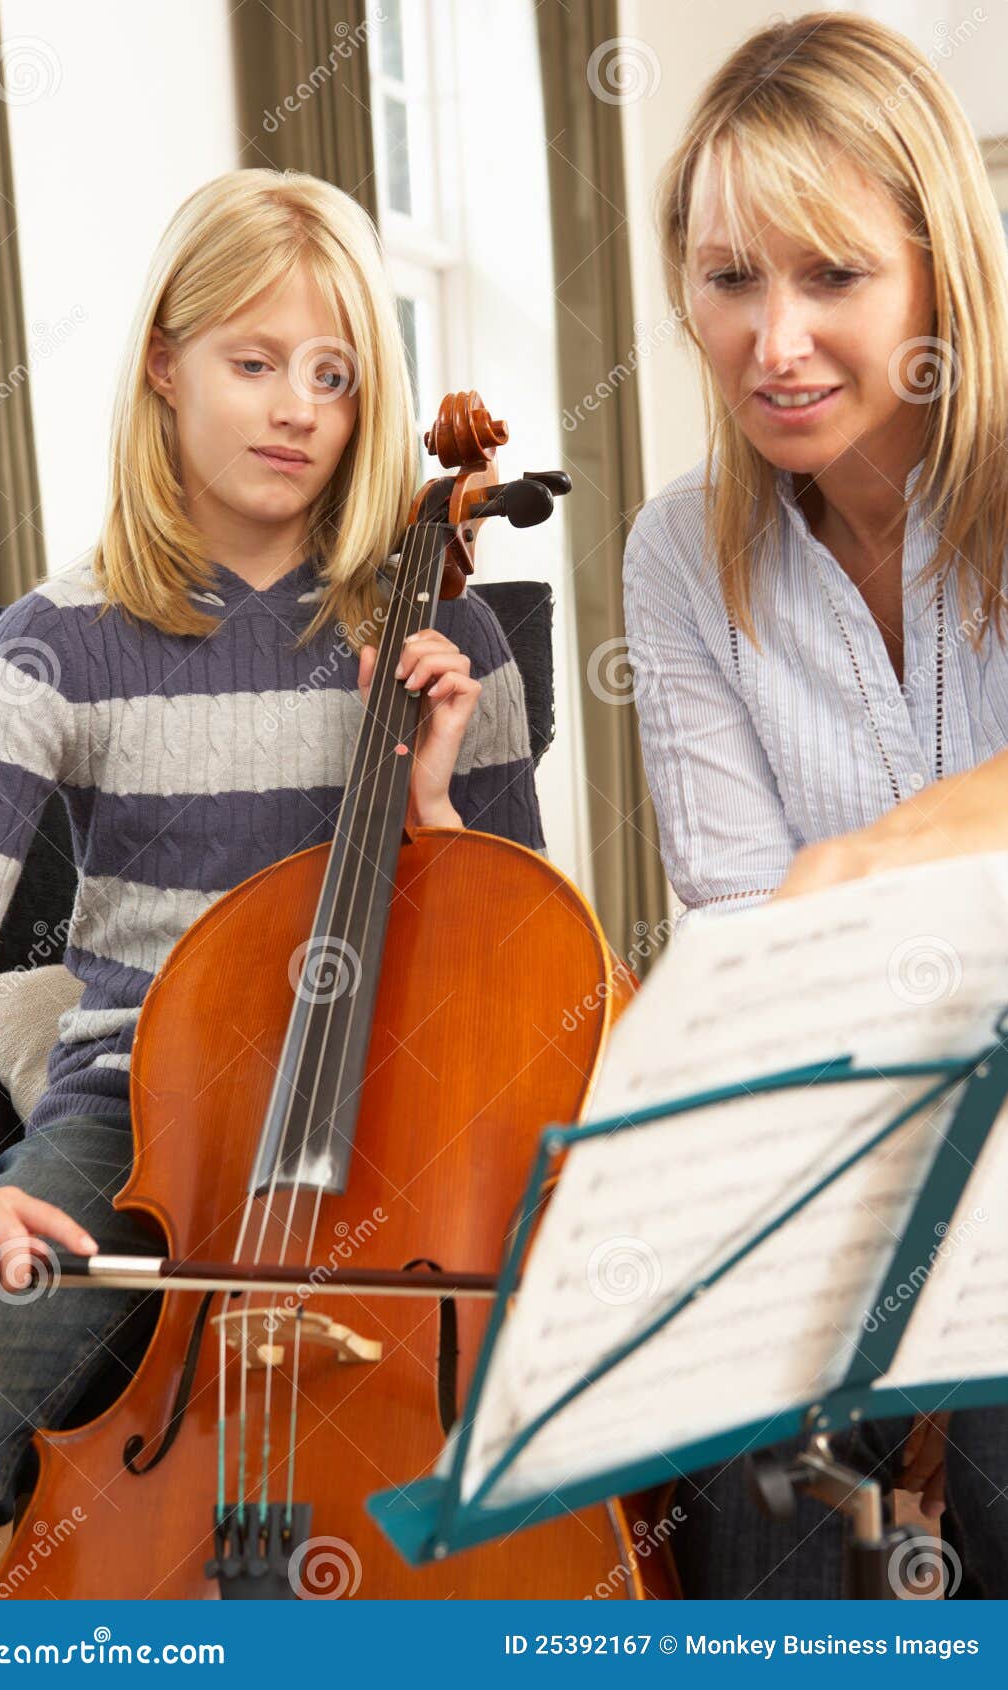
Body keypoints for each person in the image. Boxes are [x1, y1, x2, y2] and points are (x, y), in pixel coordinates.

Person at [0, 168, 545, 1597]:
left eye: (334, 375)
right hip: (139, 1130)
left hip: (407, 1126)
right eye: (254, 362)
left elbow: (532, 975)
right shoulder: (51, 648)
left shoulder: (453, 640)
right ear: (164, 363)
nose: (296, 409)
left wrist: (437, 803)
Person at [622, 12, 1008, 1598]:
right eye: (730, 279)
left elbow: (819, 901)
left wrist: (870, 857)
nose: (774, 341)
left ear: (935, 273)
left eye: (833, 276)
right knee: (735, 1439)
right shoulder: (674, 556)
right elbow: (746, 929)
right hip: (850, 1128)